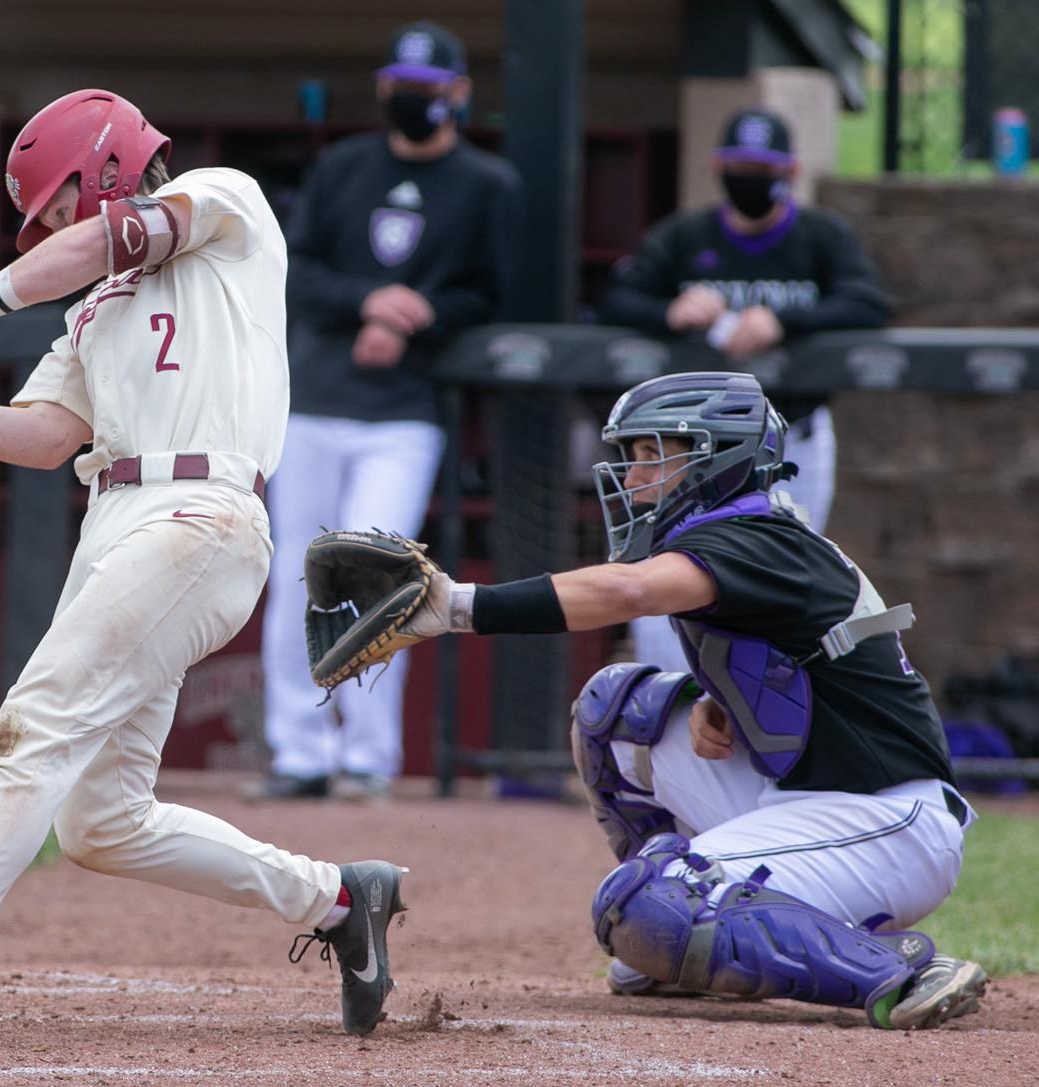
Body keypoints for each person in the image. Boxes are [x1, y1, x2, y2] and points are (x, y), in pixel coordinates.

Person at [0, 89, 409, 1046]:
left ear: (104, 163)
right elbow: (47, 435)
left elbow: (92, 246)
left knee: (36, 725)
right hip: (113, 524)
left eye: (55, 200)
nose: (49, 226)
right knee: (102, 824)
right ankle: (339, 899)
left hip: (200, 514)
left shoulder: (220, 198)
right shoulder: (91, 313)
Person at [308, 370, 984, 1030]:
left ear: (718, 458)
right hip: (810, 796)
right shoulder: (744, 537)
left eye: (653, 455)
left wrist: (457, 606)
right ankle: (698, 937)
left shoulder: (759, 536)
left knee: (647, 901)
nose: (634, 478)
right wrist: (721, 701)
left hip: (889, 822)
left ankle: (895, 969)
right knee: (617, 710)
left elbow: (628, 592)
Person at [255, 20, 522, 801]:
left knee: (382, 578)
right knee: (293, 577)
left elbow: (495, 293)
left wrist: (418, 312)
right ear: (383, 90)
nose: (414, 103)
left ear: (459, 95)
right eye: (403, 90)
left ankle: (368, 757)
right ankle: (299, 751)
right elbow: (297, 272)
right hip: (314, 402)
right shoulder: (341, 168)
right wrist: (369, 300)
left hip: (407, 409)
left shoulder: (487, 185)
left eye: (430, 92)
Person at [598, 107, 889, 678]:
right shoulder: (686, 236)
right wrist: (670, 310)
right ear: (717, 167)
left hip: (791, 441)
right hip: (691, 452)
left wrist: (785, 318)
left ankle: (766, 719)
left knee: (779, 576)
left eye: (762, 166)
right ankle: (677, 709)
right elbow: (615, 300)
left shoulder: (821, 236)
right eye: (738, 165)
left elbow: (868, 303)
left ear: (790, 171)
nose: (749, 176)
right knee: (669, 577)